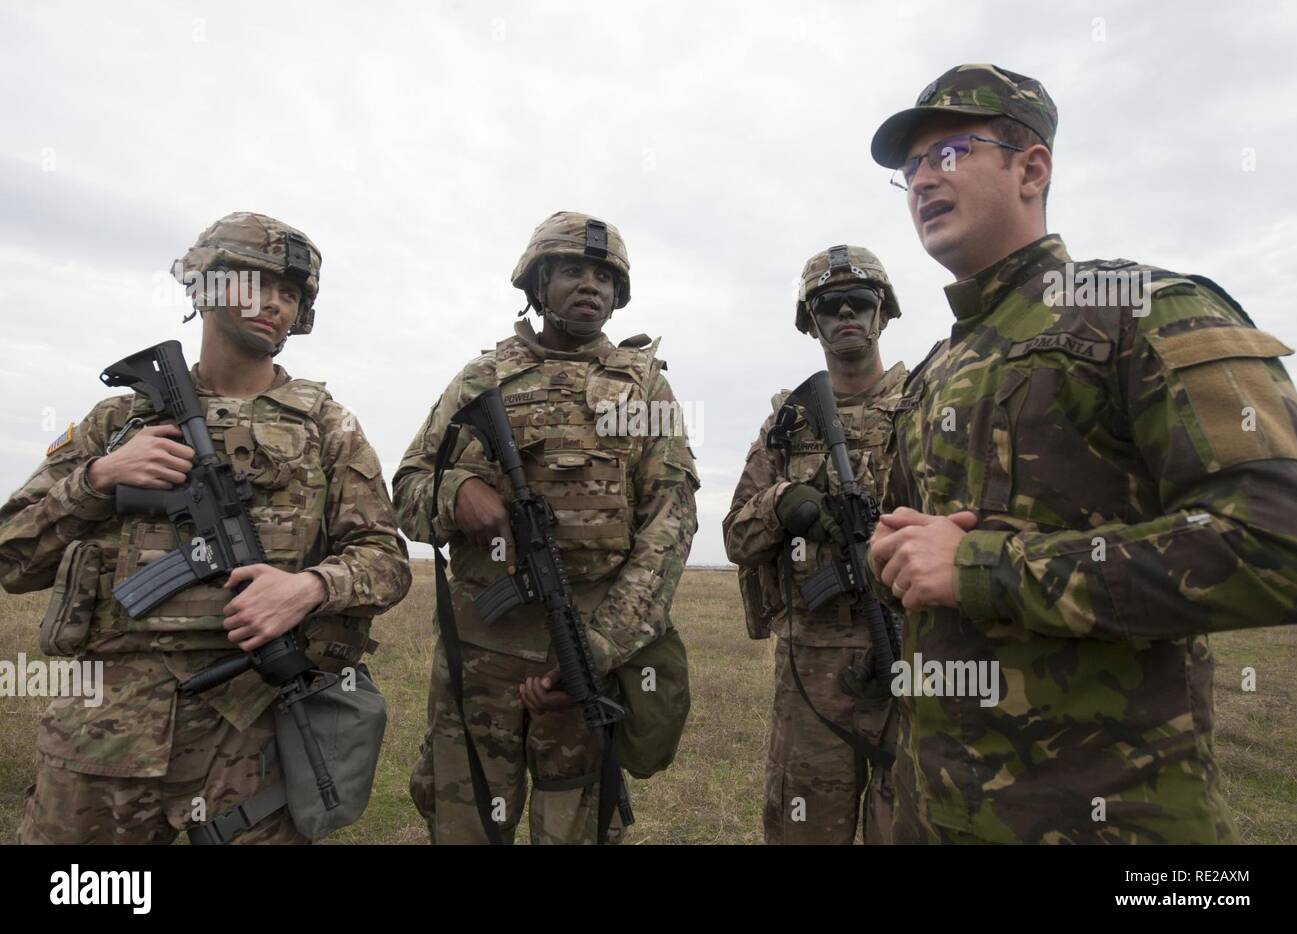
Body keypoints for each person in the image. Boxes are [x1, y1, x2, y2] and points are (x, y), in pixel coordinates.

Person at [865, 64, 1297, 843]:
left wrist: (984, 570)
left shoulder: (1140, 310)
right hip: (933, 811)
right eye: (912, 169)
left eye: (953, 152)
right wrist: (895, 553)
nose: (925, 179)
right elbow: (924, 554)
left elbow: (1279, 541)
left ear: (1032, 169)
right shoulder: (936, 369)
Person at [0, 212, 411, 844]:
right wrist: (99, 480)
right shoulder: (117, 420)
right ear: (209, 286)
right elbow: (11, 557)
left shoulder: (329, 426)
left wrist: (308, 589)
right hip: (102, 741)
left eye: (291, 293)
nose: (276, 302)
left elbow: (385, 557)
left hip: (250, 738)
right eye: (257, 283)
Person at [393, 211, 699, 844]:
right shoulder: (482, 379)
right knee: (467, 822)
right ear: (537, 284)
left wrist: (601, 648)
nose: (590, 286)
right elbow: (405, 492)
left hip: (584, 651)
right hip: (481, 654)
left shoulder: (641, 386)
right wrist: (459, 493)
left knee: (576, 826)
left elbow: (671, 523)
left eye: (603, 277)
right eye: (571, 272)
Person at [724, 245, 905, 844]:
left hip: (911, 652)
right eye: (830, 306)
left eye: (861, 301)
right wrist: (781, 503)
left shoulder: (927, 408)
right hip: (812, 665)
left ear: (883, 313)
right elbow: (735, 538)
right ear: (812, 322)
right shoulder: (788, 423)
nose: (846, 314)